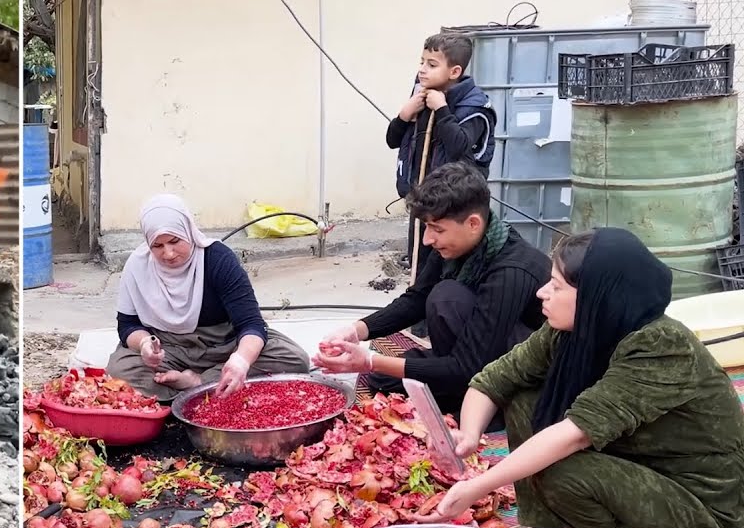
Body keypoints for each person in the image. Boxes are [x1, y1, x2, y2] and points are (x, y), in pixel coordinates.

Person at [416, 228, 744, 528]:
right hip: (643, 470)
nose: (542, 293)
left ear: (596, 297)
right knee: (525, 401)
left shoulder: (659, 347)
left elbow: (574, 435)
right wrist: (469, 435)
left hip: (700, 516)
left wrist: (478, 486)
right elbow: (494, 380)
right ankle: (555, 522)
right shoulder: (572, 330)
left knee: (557, 467)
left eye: (556, 286)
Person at [312, 162, 549, 420]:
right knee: (383, 378)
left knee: (445, 298)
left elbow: (468, 366)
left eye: (437, 229)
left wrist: (370, 360)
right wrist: (356, 330)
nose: (427, 239)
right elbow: (417, 298)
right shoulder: (456, 244)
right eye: (427, 226)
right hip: (471, 350)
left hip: (511, 367)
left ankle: (483, 405)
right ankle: (445, 380)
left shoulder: (512, 270)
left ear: (473, 223)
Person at [106, 194, 310, 401]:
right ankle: (210, 386)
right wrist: (144, 344)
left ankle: (197, 384)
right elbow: (127, 325)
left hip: (224, 344)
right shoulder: (137, 266)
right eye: (157, 246)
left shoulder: (217, 259)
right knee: (120, 370)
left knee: (293, 359)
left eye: (175, 241)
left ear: (188, 231)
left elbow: (251, 323)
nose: (168, 253)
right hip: (169, 349)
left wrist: (241, 361)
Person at [388, 31, 497, 276]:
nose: (422, 70)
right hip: (423, 198)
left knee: (447, 268)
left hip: (454, 205)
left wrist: (442, 110)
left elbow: (460, 147)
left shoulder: (474, 105)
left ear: (454, 71)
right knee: (420, 263)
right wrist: (404, 115)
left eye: (432, 64)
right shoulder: (421, 96)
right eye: (422, 62)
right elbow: (392, 140)